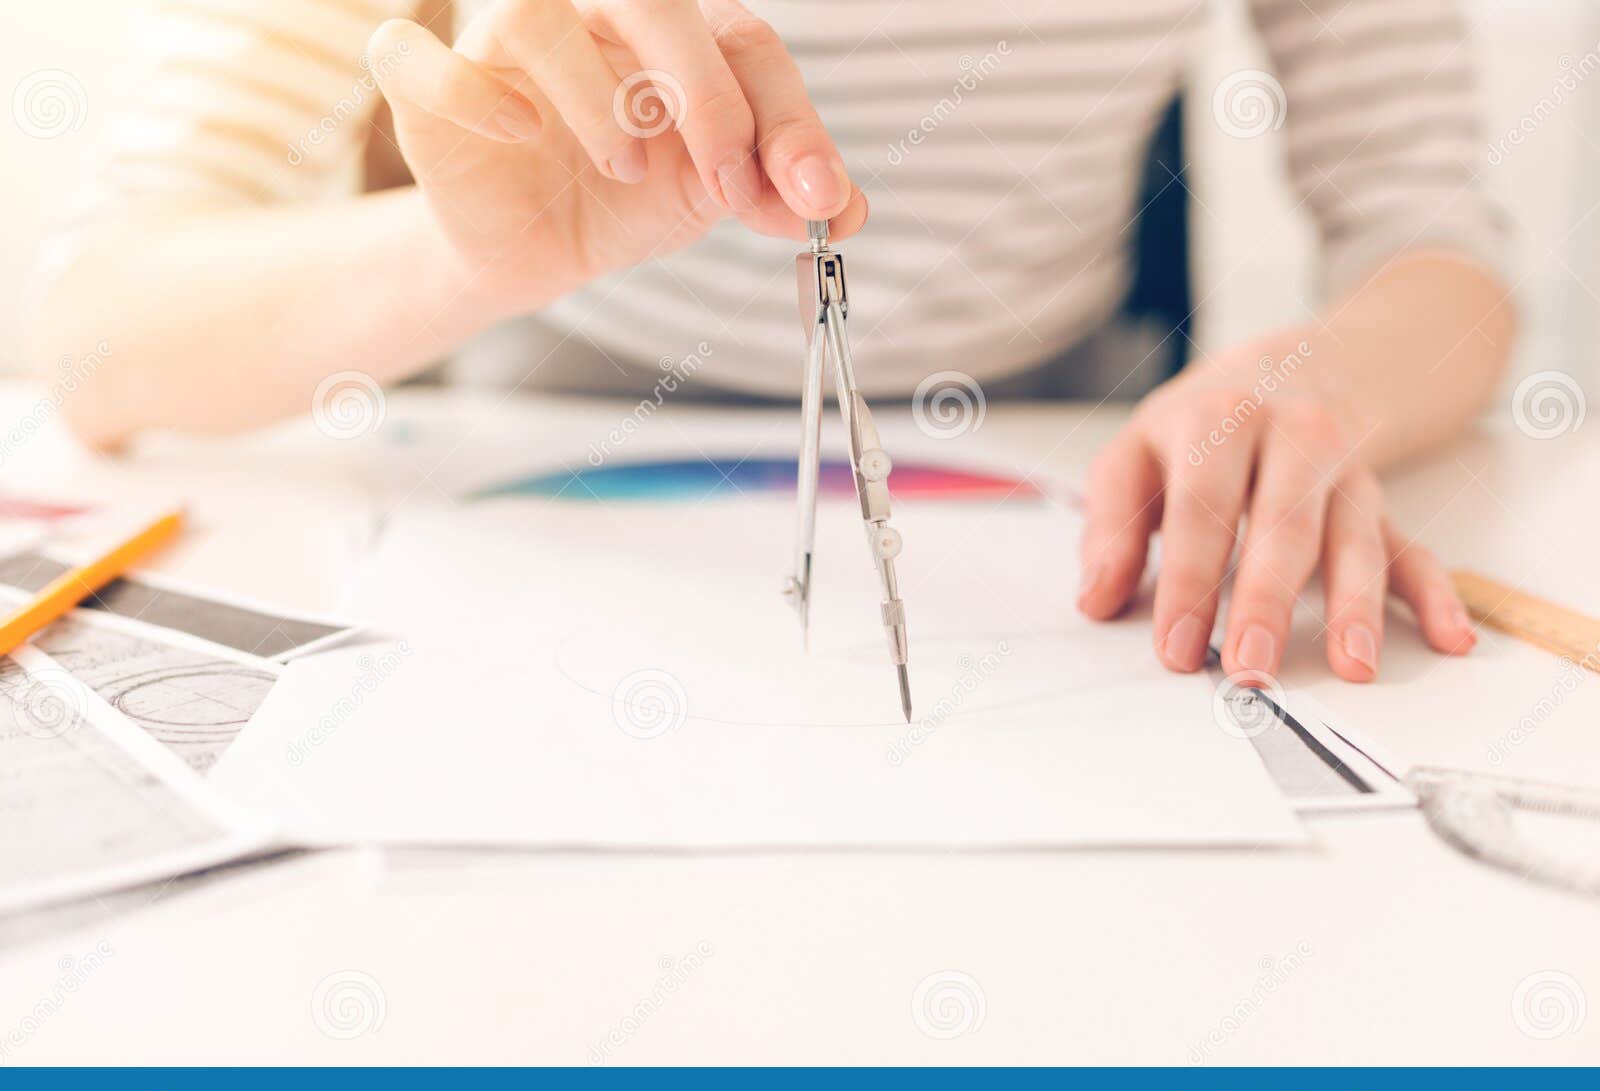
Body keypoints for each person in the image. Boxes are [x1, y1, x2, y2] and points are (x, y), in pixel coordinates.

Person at [27, 0, 1514, 686]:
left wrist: (1324, 380)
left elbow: (1439, 248)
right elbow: (95, 332)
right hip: (541, 459)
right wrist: (461, 253)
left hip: (1058, 472)